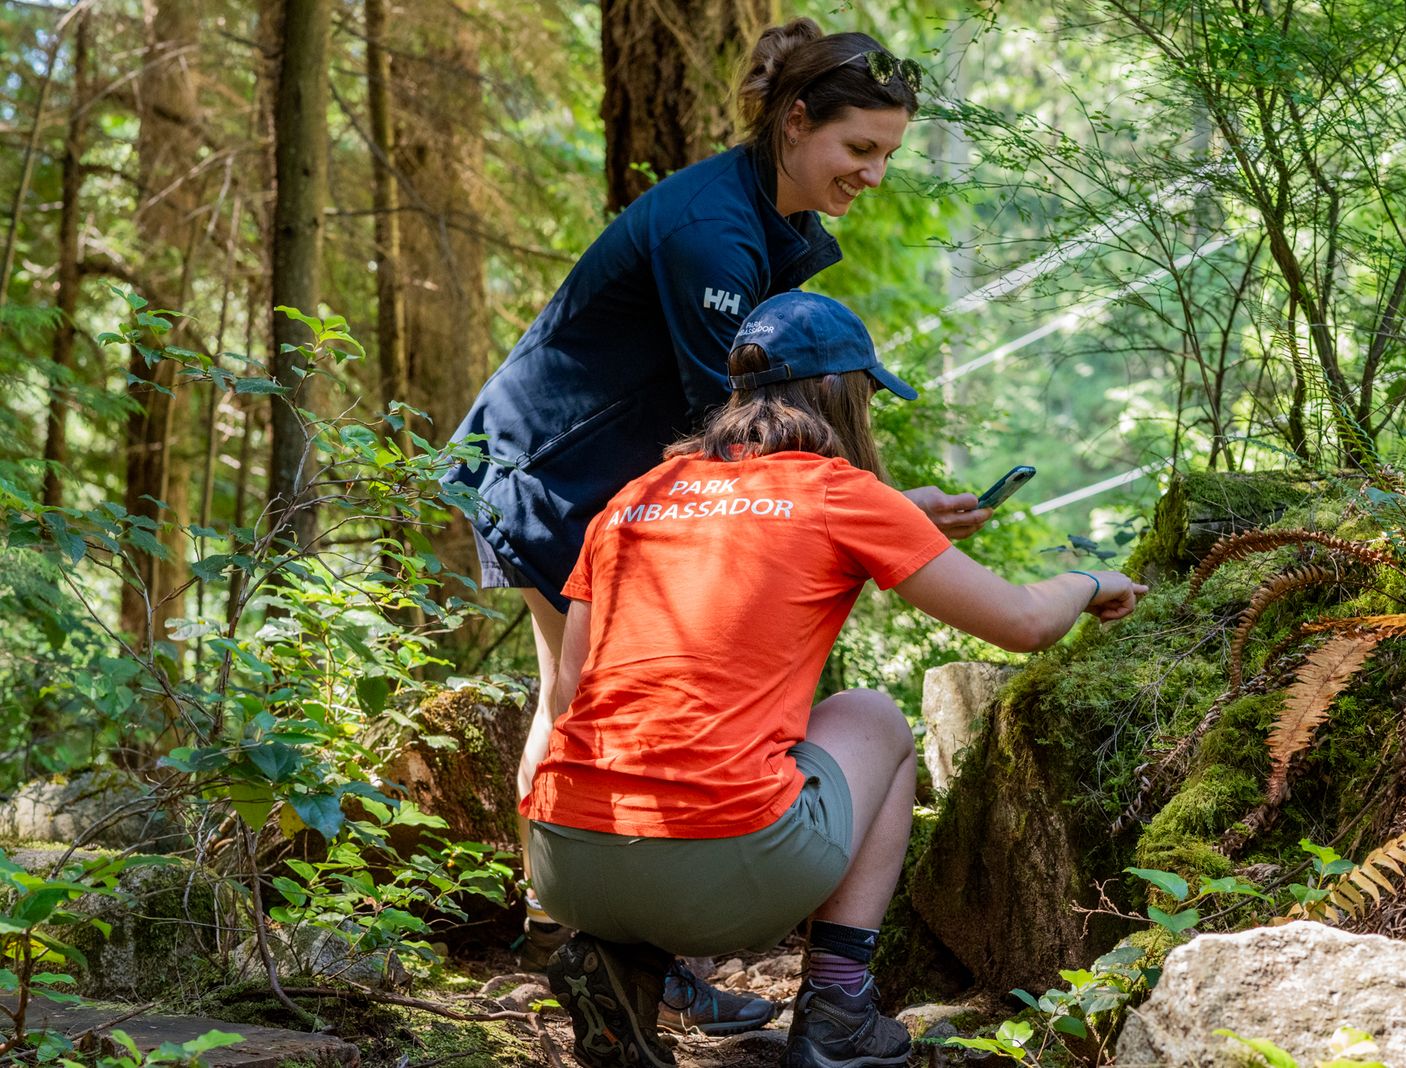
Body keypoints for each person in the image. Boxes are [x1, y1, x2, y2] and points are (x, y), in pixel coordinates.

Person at [445, 17, 989, 1031]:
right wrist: (873, 513)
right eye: (857, 149)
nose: (871, 174)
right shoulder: (713, 233)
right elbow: (746, 437)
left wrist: (876, 509)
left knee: (584, 696)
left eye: (888, 155)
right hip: (555, 472)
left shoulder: (760, 218)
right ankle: (588, 948)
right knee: (576, 701)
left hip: (615, 478)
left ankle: (611, 950)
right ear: (794, 122)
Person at [523, 291, 1148, 1068]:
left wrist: (901, 515)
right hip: (716, 872)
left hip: (565, 863)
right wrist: (1093, 582)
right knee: (875, 719)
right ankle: (838, 1007)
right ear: (832, 392)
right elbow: (1021, 622)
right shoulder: (839, 493)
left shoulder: (636, 497)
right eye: (867, 396)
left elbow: (569, 693)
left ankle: (629, 962)